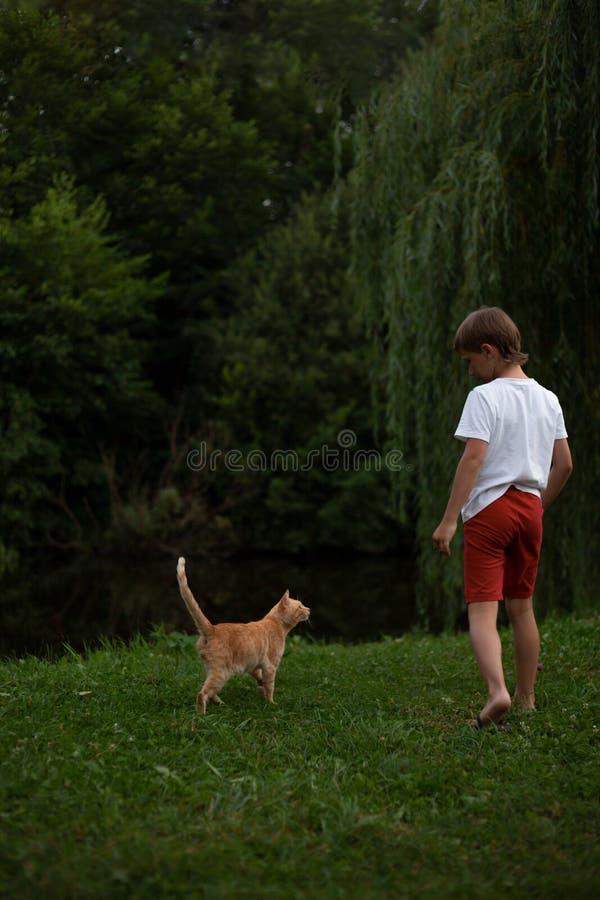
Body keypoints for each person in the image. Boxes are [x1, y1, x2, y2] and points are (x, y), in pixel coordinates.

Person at [432, 306, 573, 729]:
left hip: (490, 511)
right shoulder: (548, 398)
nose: (470, 371)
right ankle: (527, 697)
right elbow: (565, 465)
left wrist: (449, 520)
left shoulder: (484, 397)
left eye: (471, 361)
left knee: (482, 611)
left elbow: (473, 458)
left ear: (489, 351)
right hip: (530, 508)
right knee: (522, 608)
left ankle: (498, 692)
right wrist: (537, 507)